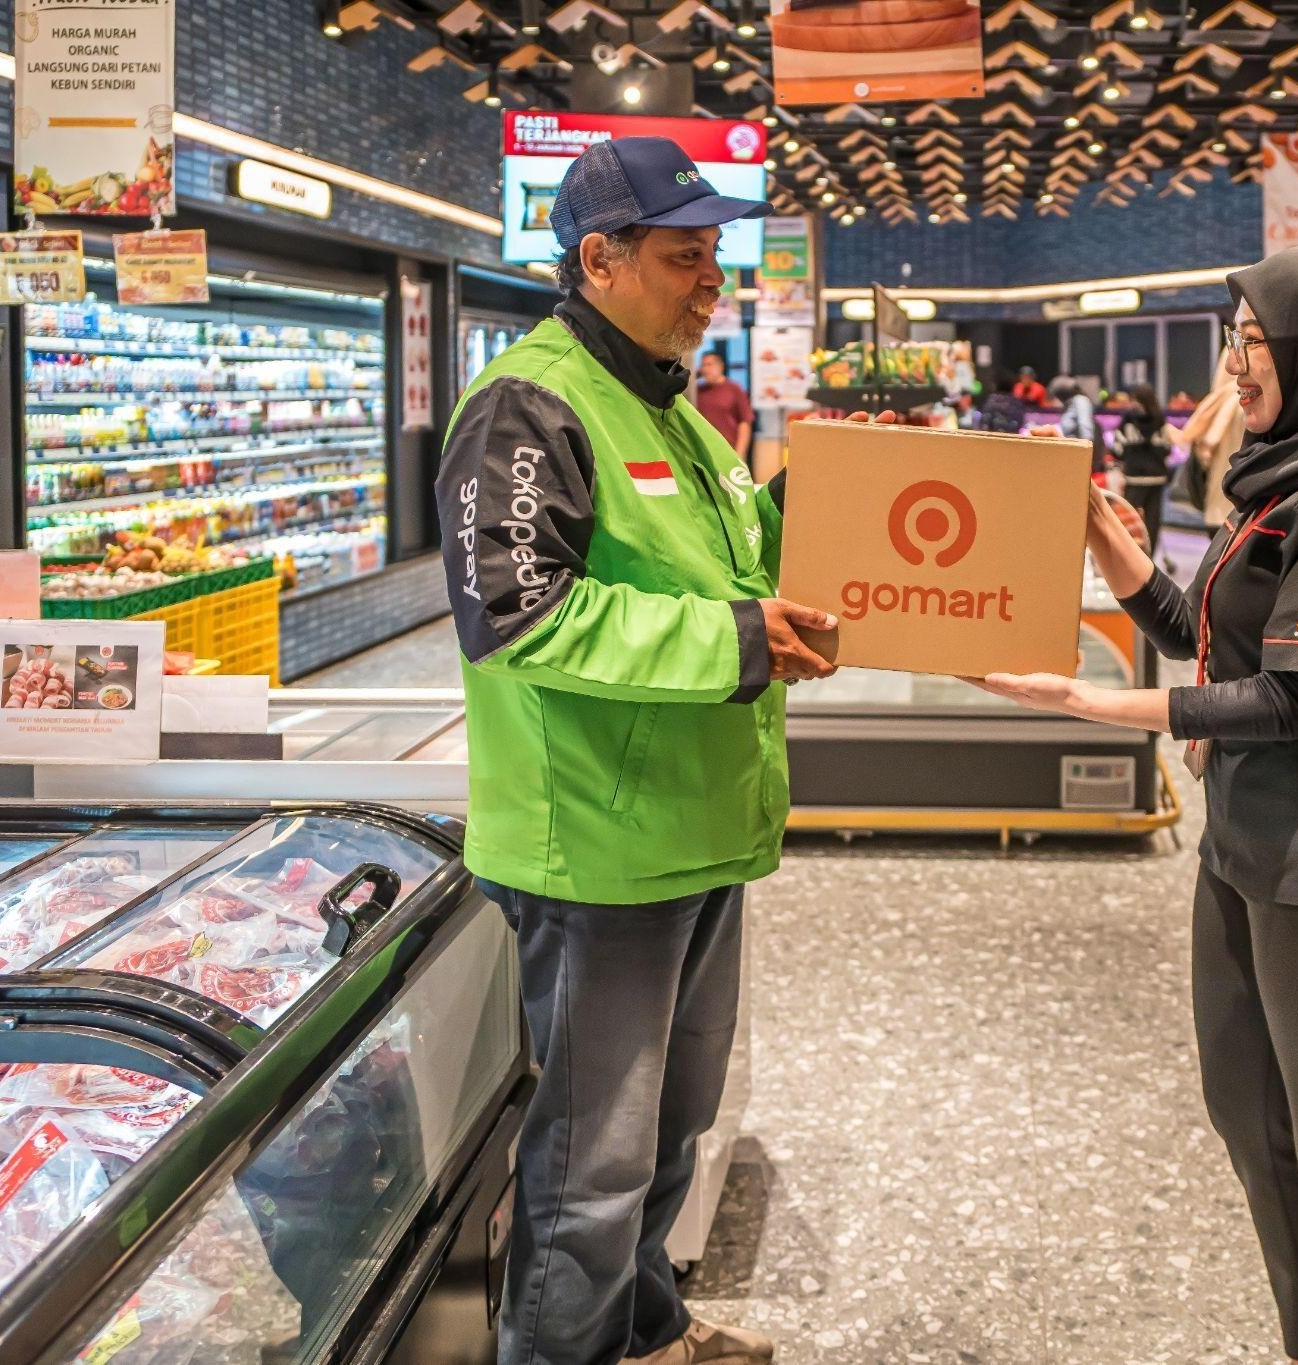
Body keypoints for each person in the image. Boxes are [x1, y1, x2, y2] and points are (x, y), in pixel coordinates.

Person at [985, 245, 1298, 1365]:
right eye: (1229, 339)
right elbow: (1212, 633)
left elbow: (1291, 692)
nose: (1232, 365)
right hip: (1245, 844)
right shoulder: (1284, 474)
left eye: (1251, 342)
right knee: (1247, 1112)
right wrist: (1117, 555)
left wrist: (1097, 705)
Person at [435, 135, 836, 1365]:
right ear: (598, 258)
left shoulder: (676, 409)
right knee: (589, 1168)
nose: (708, 277)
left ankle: (642, 1331)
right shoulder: (530, 403)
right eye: (683, 254)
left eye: (713, 253)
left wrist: (818, 492)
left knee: (670, 1133)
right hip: (597, 853)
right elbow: (520, 614)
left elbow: (733, 570)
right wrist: (732, 640)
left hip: (697, 827)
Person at [1180, 358, 1246, 528]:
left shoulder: (1223, 400)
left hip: (1221, 505)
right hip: (1243, 505)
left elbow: (1206, 443)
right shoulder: (1247, 400)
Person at [1115, 383, 1175, 553]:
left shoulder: (1127, 420)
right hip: (1157, 477)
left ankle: (1130, 555)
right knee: (1152, 521)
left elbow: (1118, 449)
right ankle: (1150, 559)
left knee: (1129, 519)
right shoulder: (1160, 420)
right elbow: (1167, 449)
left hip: (1134, 477)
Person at [693, 349, 754, 461]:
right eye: (703, 365)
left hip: (729, 451)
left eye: (709, 365)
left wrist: (739, 455)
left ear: (720, 366)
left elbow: (744, 423)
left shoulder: (734, 389)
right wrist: (694, 376)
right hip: (704, 452)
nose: (705, 369)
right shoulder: (697, 391)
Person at [1051, 375, 1106, 471]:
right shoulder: (1070, 403)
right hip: (1073, 455)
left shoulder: (1080, 400)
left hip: (1081, 456)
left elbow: (1085, 426)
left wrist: (1086, 454)